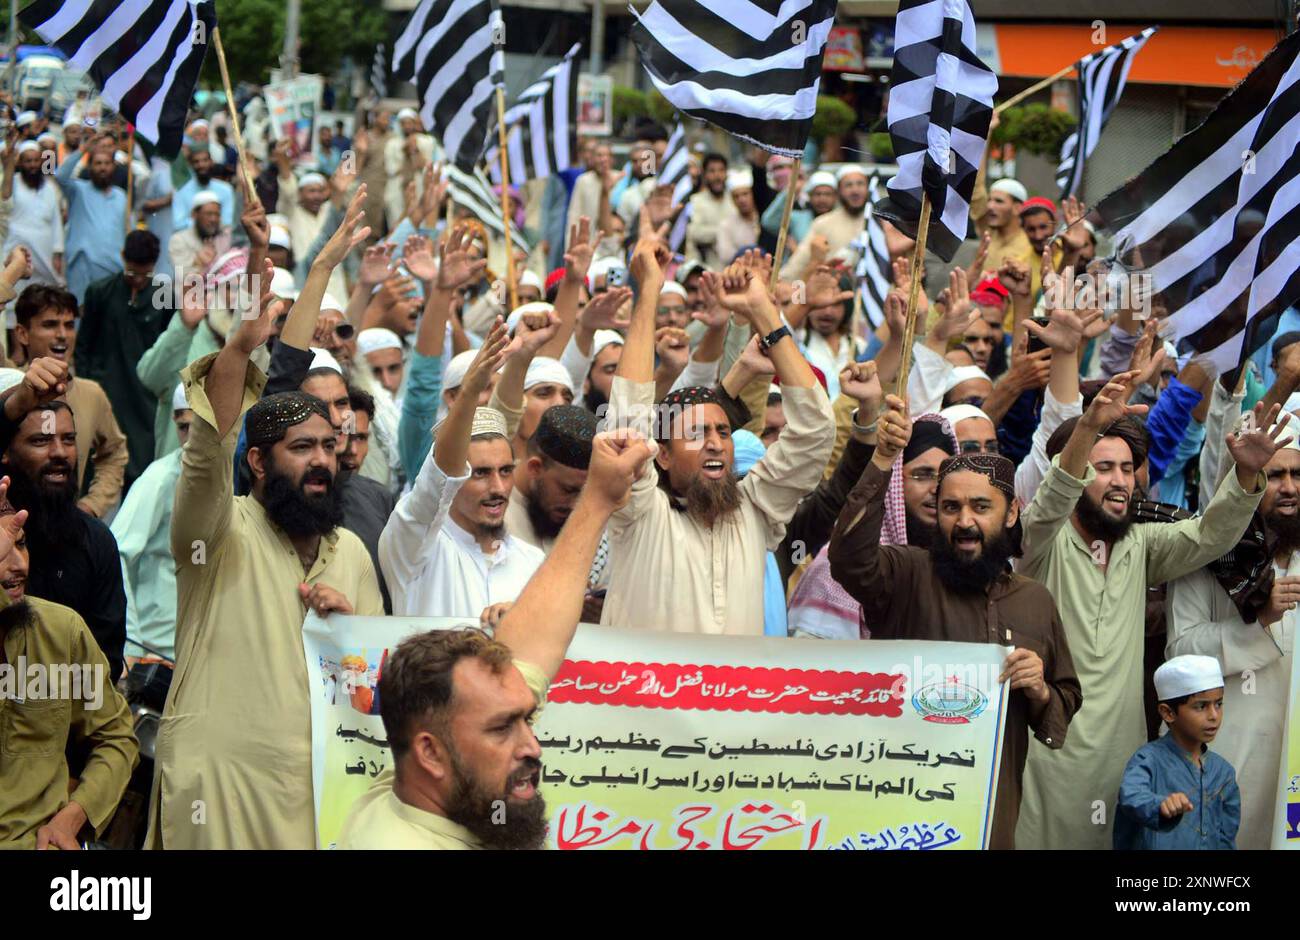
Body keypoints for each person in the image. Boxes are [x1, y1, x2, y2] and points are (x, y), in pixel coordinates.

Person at [145, 255, 384, 850]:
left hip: (319, 800)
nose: (323, 460)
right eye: (303, 447)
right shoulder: (218, 533)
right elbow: (206, 455)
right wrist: (235, 355)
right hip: (220, 798)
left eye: (331, 446)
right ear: (258, 462)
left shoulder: (350, 551)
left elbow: (377, 686)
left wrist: (352, 632)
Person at [336, 426, 653, 849]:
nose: (534, 747)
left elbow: (536, 643)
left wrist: (598, 499)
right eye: (503, 729)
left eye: (525, 719)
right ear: (430, 753)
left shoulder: (428, 782)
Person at [1015, 375, 1281, 850]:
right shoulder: (1041, 542)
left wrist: (1244, 478)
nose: (1120, 480)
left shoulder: (1140, 543)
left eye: (1127, 467)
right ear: (1075, 473)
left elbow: (1209, 537)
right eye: (1103, 468)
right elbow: (1053, 499)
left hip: (1124, 752)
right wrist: (1088, 425)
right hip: (1049, 746)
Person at [827, 397, 1081, 848]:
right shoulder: (906, 575)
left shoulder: (1035, 601)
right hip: (898, 808)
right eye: (950, 508)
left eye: (981, 507)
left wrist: (1038, 688)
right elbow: (848, 559)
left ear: (1012, 511)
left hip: (990, 811)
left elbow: (1064, 699)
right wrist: (883, 458)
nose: (964, 522)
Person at [602, 225, 835, 634]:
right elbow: (627, 426)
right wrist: (649, 294)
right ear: (663, 454)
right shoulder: (640, 514)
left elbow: (815, 431)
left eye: (723, 433)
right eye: (696, 434)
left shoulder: (755, 512)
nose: (714, 443)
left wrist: (764, 312)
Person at [1165, 411, 1300, 848]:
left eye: (1298, 474)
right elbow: (1180, 651)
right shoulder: (1207, 557)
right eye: (1274, 475)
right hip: (1229, 746)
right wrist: (1258, 622)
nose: (1290, 488)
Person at [0, 479, 138, 849]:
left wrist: (71, 818)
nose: (18, 565)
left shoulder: (62, 631)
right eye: (0, 550)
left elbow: (116, 738)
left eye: (21, 544)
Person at [380, 321, 546, 620]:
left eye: (505, 471)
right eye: (480, 473)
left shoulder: (533, 561)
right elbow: (436, 483)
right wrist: (470, 391)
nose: (498, 488)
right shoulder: (413, 549)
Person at [0, 357, 128, 680]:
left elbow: (104, 671)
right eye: (41, 440)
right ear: (5, 451)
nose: (60, 453)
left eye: (68, 439)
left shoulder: (95, 542)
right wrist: (15, 405)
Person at [13, 286, 128, 517]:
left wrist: (91, 506)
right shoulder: (8, 386)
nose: (62, 335)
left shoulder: (92, 394)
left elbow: (115, 453)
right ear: (23, 334)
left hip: (68, 535)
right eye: (50, 325)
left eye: (69, 325)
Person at [77, 232, 175, 490]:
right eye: (132, 274)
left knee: (141, 466)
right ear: (122, 258)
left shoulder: (163, 294)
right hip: (106, 388)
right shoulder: (100, 292)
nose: (138, 281)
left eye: (145, 275)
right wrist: (87, 386)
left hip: (145, 397)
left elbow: (168, 346)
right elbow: (83, 346)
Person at [1114, 655, 1240, 850]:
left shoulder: (1224, 773)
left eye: (1218, 704)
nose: (1214, 715)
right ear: (1168, 712)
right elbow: (1131, 796)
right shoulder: (1148, 760)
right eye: (1201, 706)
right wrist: (1160, 805)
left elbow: (1226, 837)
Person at [111, 384, 190, 665]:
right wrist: (131, 641)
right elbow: (115, 552)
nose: (192, 440)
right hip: (161, 651)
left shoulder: (237, 475)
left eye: (202, 428)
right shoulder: (159, 479)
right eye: (184, 428)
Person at [54, 139, 126, 303]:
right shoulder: (78, 190)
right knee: (81, 316)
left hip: (113, 269)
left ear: (113, 167)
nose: (102, 168)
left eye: (107, 163)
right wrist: (83, 149)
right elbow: (60, 176)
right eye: (98, 163)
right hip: (82, 267)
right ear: (90, 166)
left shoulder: (121, 196)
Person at [2, 139, 64, 289]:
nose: (33, 165)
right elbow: (5, 198)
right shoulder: (12, 183)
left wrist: (58, 252)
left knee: (43, 291)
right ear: (21, 163)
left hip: (44, 249)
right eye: (28, 161)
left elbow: (56, 221)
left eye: (36, 160)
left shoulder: (49, 187)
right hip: (17, 248)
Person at [169, 191, 232, 289]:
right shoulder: (179, 240)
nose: (213, 219)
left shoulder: (224, 236)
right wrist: (199, 263)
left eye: (217, 214)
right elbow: (183, 278)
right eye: (208, 214)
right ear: (194, 214)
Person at [170, 145, 234, 231]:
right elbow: (178, 223)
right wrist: (205, 223)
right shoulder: (181, 191)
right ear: (190, 164)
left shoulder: (226, 189)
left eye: (205, 160)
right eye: (196, 162)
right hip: (190, 238)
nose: (201, 165)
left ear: (211, 162)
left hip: (219, 235)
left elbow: (228, 221)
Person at [685, 152, 730, 265]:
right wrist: (725, 231)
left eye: (721, 170)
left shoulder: (734, 200)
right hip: (708, 269)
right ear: (704, 175)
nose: (717, 176)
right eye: (712, 171)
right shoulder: (695, 201)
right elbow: (694, 232)